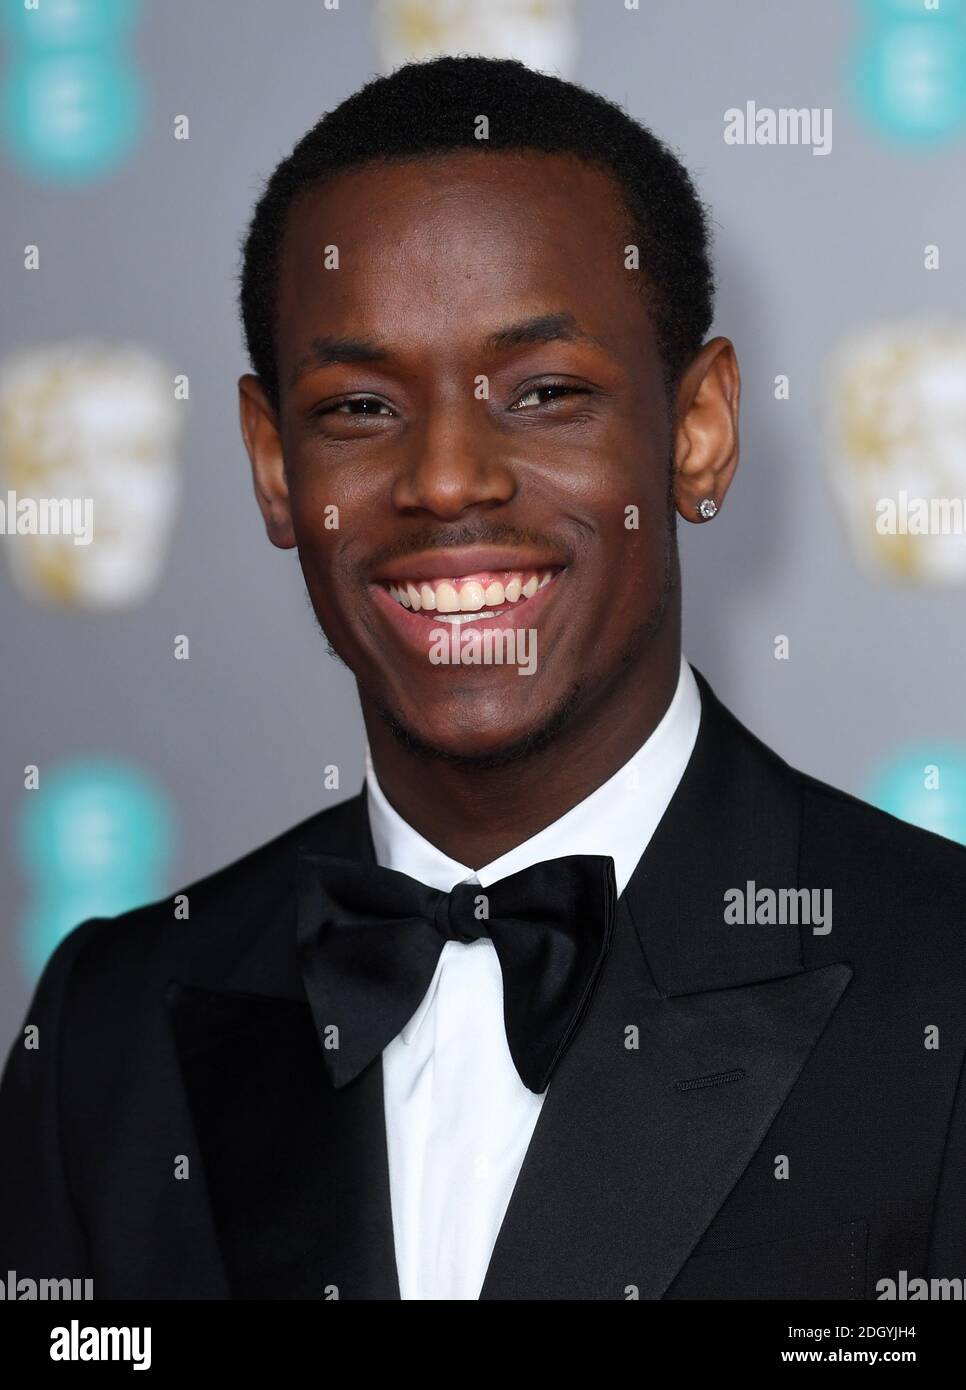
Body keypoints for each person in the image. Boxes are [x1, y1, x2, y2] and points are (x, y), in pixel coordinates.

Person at [2, 55, 965, 1302]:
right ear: (274, 466)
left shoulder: (938, 982)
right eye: (358, 406)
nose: (448, 478)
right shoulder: (108, 1027)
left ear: (698, 430)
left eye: (546, 393)